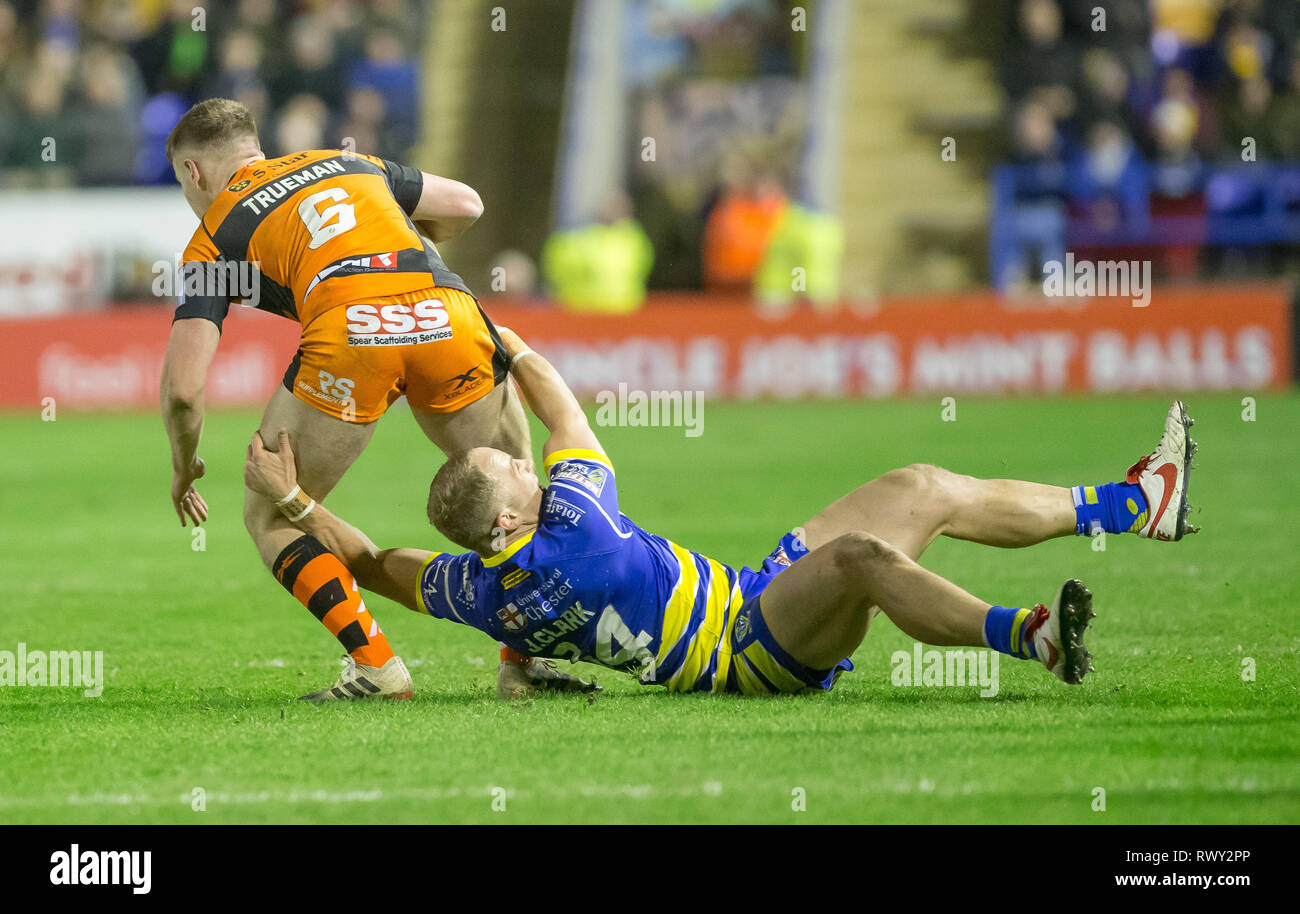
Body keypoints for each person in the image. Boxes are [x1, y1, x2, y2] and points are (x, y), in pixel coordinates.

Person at [244, 327, 1201, 697]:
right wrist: (490, 331)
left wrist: (292, 500)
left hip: (751, 596)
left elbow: (373, 564)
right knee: (866, 554)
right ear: (508, 520)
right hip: (752, 649)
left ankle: (1138, 504)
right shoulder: (575, 523)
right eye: (507, 471)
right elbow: (564, 404)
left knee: (920, 485)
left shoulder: (471, 586)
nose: (519, 464)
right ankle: (1029, 638)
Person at [159, 97, 591, 702]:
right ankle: (523, 663)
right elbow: (467, 204)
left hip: (349, 334)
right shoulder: (348, 164)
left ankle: (377, 667)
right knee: (516, 491)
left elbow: (182, 390)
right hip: (445, 309)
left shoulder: (212, 236)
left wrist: (185, 466)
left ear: (192, 173)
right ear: (257, 148)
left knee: (270, 510)